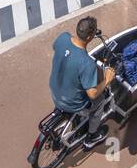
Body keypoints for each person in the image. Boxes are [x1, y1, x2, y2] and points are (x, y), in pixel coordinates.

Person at [49, 15, 116, 150]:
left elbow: (57, 49)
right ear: (90, 37)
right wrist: (108, 79)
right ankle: (92, 137)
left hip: (54, 89)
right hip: (72, 103)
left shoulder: (63, 38)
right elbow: (92, 94)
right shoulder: (86, 63)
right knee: (100, 100)